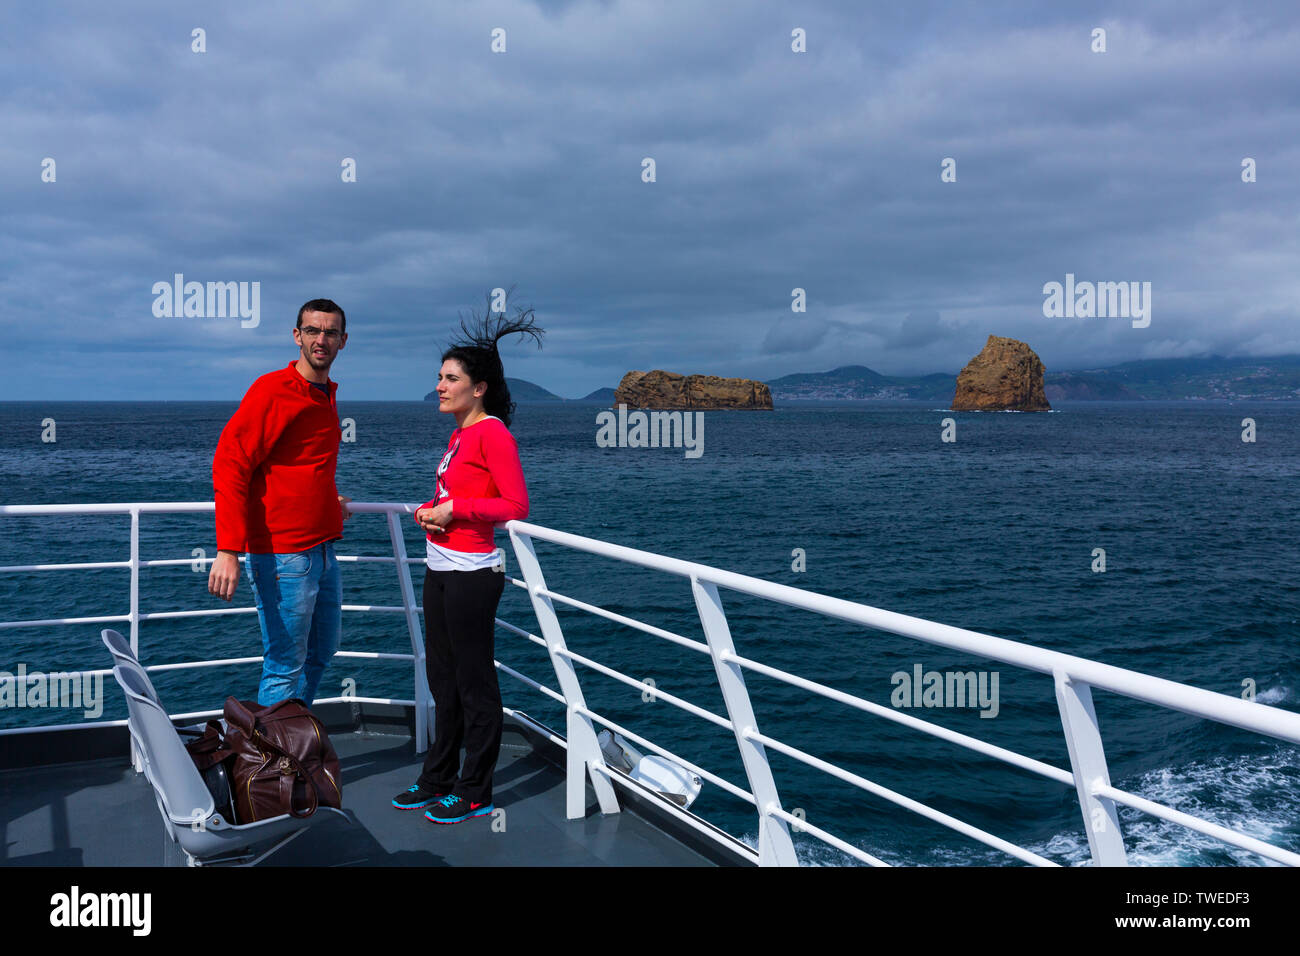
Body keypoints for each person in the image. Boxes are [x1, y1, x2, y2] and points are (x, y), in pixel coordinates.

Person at [392, 301, 543, 824]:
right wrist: (432, 512)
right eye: (439, 376)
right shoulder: (459, 435)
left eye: (450, 378)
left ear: (477, 388)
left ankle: (475, 789)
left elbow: (515, 505)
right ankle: (437, 778)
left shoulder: (492, 433)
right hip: (441, 567)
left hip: (475, 573)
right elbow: (460, 495)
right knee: (443, 678)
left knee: (475, 683)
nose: (439, 385)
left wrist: (457, 509)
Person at [207, 298, 352, 708]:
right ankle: (271, 764)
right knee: (285, 663)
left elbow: (299, 464)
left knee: (322, 653)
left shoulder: (323, 393)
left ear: (343, 340)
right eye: (312, 331)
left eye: (329, 332)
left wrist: (329, 498)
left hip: (322, 549)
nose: (320, 339)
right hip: (283, 555)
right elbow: (230, 465)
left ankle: (292, 741)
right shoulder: (273, 390)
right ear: (297, 336)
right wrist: (228, 550)